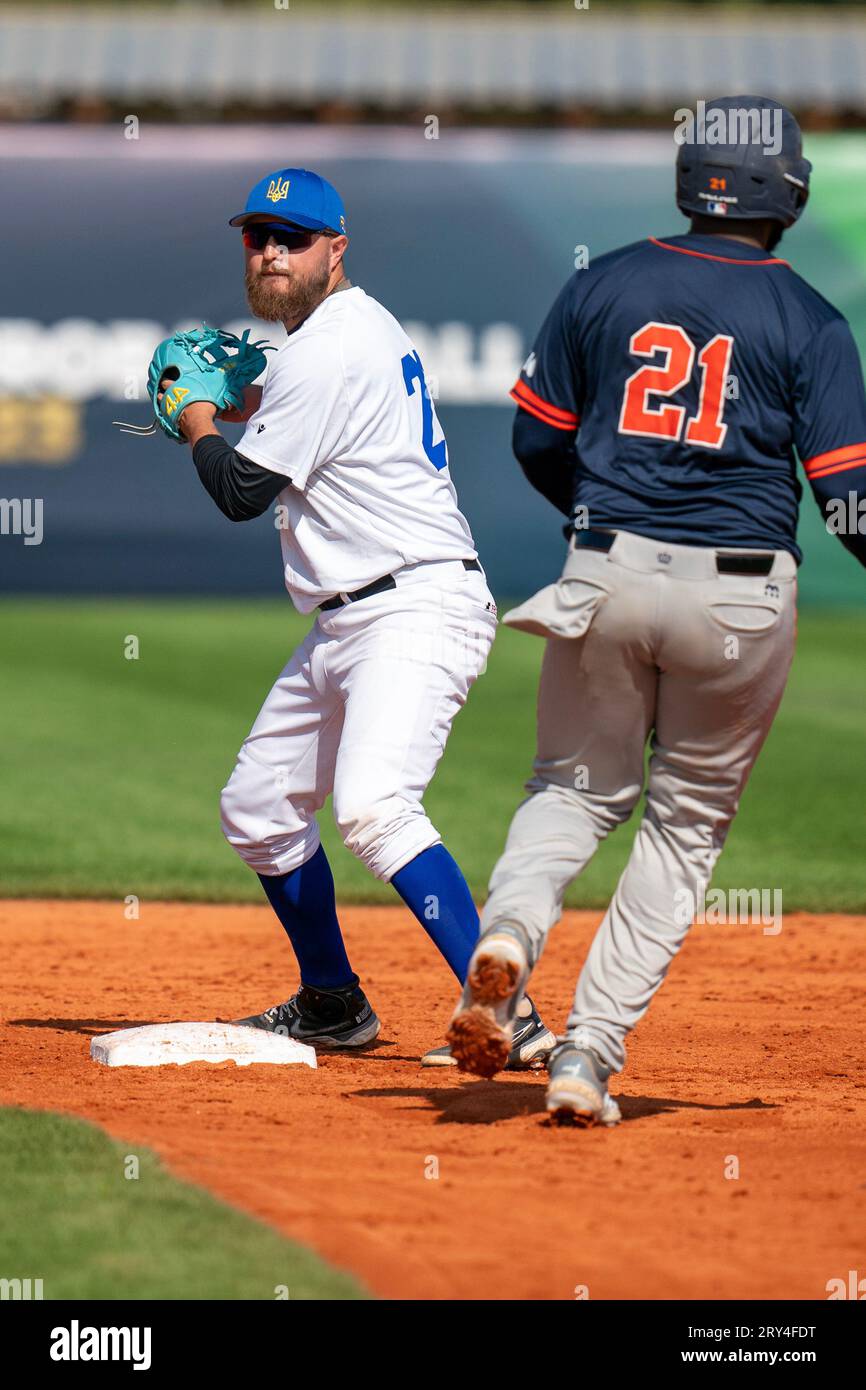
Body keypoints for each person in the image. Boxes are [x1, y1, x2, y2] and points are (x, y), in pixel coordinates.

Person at [446, 97, 866, 1124]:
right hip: (736, 595)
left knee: (571, 789)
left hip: (605, 571)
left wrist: (603, 530)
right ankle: (585, 1055)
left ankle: (505, 933)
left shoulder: (604, 280)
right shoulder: (809, 317)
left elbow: (538, 442)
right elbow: (847, 499)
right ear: (787, 190)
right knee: (682, 830)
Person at [155, 166, 555, 1067]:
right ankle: (334, 1003)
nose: (270, 253)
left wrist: (196, 416)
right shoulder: (342, 335)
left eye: (291, 239)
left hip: (414, 605)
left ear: (336, 249)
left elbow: (238, 493)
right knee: (259, 808)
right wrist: (245, 406)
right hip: (352, 617)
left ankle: (512, 1017)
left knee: (374, 807)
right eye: (257, 236)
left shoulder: (328, 346)